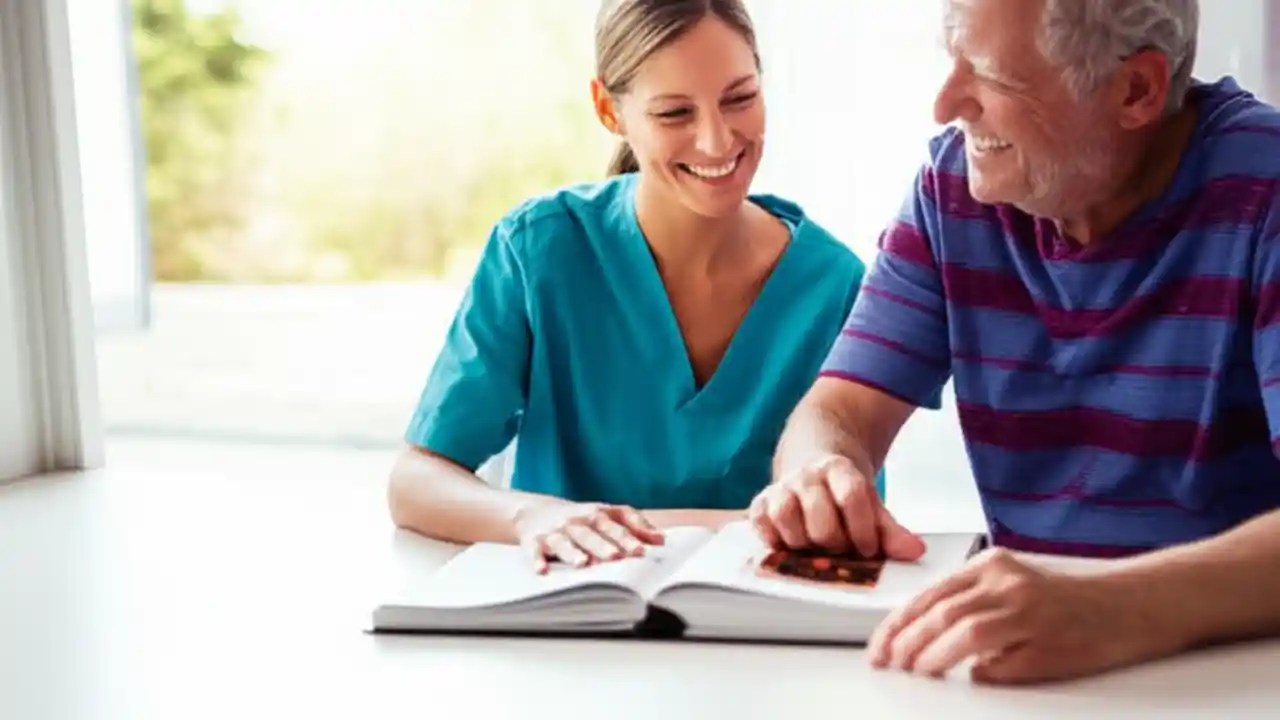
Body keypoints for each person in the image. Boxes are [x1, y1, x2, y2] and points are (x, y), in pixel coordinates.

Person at [750, 0, 1280, 685]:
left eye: (993, 76)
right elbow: (835, 413)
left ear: (1136, 90)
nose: (945, 104)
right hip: (1037, 673)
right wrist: (816, 473)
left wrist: (1111, 608)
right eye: (952, 58)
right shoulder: (953, 189)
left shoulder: (1265, 190)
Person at [388, 0, 868, 573]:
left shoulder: (833, 283)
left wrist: (632, 525)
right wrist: (530, 516)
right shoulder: (540, 249)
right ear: (609, 109)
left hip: (761, 637)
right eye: (674, 113)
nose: (717, 142)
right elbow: (415, 482)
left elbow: (841, 522)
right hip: (565, 622)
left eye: (740, 98)